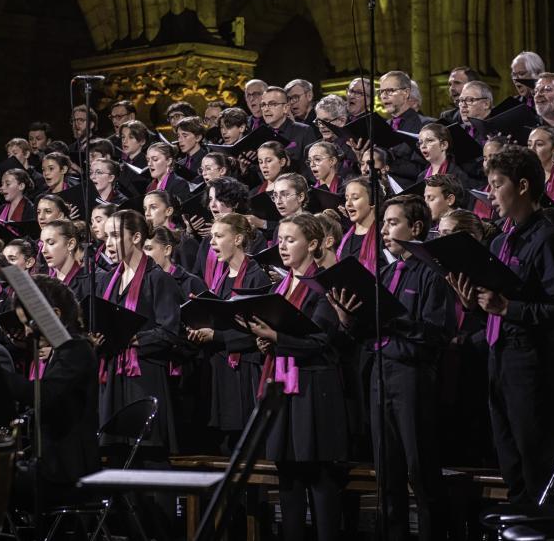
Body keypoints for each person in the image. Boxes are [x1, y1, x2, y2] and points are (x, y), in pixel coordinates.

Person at [446, 145, 554, 505]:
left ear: (522, 186)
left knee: (536, 462)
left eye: (496, 183)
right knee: (510, 460)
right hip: (499, 356)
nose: (489, 193)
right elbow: (495, 301)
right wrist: (472, 303)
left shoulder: (547, 239)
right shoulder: (503, 239)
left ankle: (545, 526)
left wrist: (510, 308)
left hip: (531, 360)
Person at [330, 194, 450, 540]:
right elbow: (368, 330)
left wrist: (392, 317)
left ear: (416, 228)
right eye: (383, 223)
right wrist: (347, 319)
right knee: (387, 472)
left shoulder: (431, 273)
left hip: (412, 376)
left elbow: (436, 332)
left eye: (393, 223)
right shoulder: (383, 272)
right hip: (380, 373)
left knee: (420, 469)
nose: (384, 230)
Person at [0, 274, 99, 507]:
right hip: (50, 466)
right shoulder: (67, 350)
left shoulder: (77, 349)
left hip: (65, 473)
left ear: (55, 315)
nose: (26, 332)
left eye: (28, 323)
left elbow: (45, 395)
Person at [247, 213, 346, 541]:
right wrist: (266, 341)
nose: (283, 246)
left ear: (313, 244)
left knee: (318, 480)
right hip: (284, 391)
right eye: (280, 240)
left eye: (291, 240)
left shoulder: (324, 284)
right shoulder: (281, 286)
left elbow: (320, 341)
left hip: (314, 391)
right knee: (287, 480)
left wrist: (276, 338)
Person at [98, 209, 182, 455]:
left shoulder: (158, 279)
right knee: (116, 455)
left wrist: (134, 338)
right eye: (106, 237)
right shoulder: (107, 280)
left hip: (144, 376)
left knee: (147, 455)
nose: (108, 243)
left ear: (136, 238)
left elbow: (169, 332)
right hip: (113, 377)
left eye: (114, 236)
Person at [186, 213, 271, 450]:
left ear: (238, 239)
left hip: (245, 369)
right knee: (225, 443)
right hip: (221, 368)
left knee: (247, 441)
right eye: (211, 236)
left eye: (219, 236)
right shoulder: (221, 277)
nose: (211, 242)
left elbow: (259, 331)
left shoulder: (257, 276)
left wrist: (217, 336)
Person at [374, 70, 431, 187]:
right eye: (381, 92)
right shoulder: (383, 126)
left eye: (390, 91)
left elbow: (423, 168)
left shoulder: (426, 125)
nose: (384, 96)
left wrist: (388, 161)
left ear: (406, 92)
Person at [259, 86, 317, 175]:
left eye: (272, 104)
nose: (266, 109)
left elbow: (312, 168)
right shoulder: (261, 135)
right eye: (263, 105)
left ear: (285, 108)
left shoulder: (304, 131)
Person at [144, 226, 206, 299]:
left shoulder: (192, 283)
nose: (143, 254)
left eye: (149, 249)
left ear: (167, 250)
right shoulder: (143, 285)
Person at [336, 177, 377, 273]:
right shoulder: (345, 238)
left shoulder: (383, 236)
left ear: (372, 201)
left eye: (355, 198)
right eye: (346, 198)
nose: (348, 204)